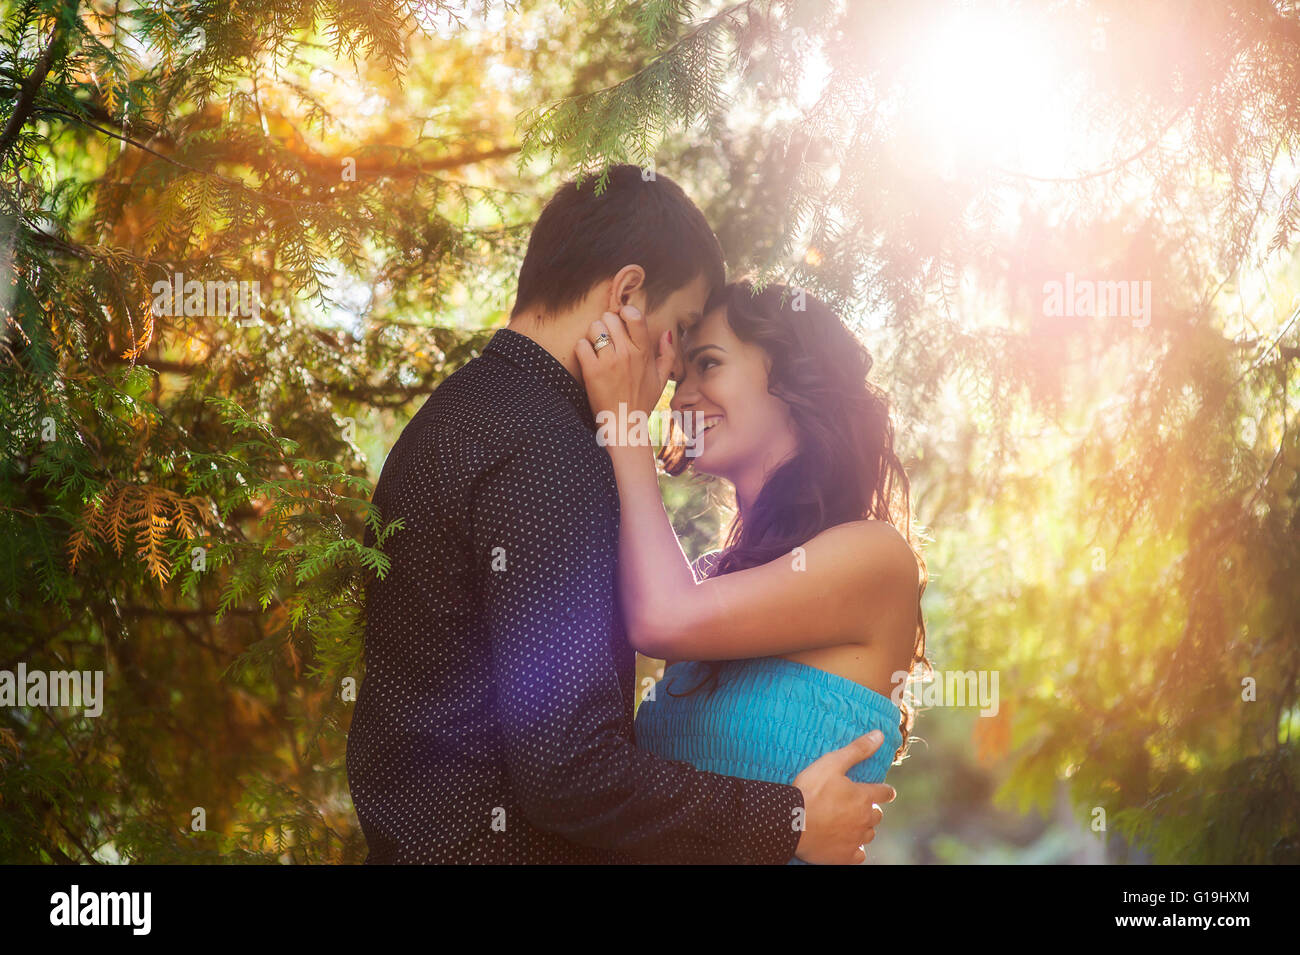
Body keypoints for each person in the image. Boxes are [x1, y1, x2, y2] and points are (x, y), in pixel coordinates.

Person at [345, 165, 894, 863]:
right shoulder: (551, 453)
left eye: (705, 359)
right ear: (628, 294)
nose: (672, 380)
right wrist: (784, 819)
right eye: (681, 335)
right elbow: (570, 769)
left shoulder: (453, 415)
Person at [575, 279, 928, 865]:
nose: (681, 397)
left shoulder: (874, 555)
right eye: (676, 377)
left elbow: (661, 618)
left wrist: (623, 423)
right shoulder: (714, 581)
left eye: (708, 365)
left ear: (794, 382)